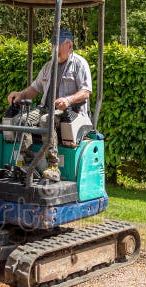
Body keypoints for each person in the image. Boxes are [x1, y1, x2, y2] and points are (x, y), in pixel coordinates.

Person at [7, 28, 92, 182]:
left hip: (71, 112)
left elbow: (85, 92)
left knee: (47, 120)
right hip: (45, 108)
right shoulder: (48, 66)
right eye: (53, 45)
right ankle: (28, 164)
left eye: (58, 45)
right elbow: (35, 88)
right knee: (20, 120)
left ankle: (53, 167)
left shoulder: (79, 64)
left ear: (69, 45)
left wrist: (67, 100)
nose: (54, 49)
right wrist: (20, 95)